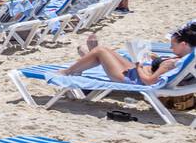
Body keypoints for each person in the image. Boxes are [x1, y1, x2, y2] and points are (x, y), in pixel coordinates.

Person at [63, 25, 196, 85]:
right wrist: (155, 59)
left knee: (101, 51)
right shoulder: (186, 59)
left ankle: (68, 71)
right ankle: (89, 54)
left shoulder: (170, 64)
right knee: (108, 51)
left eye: (173, 44)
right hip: (137, 71)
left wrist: (139, 64)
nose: (170, 47)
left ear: (183, 44)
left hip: (134, 79)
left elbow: (149, 81)